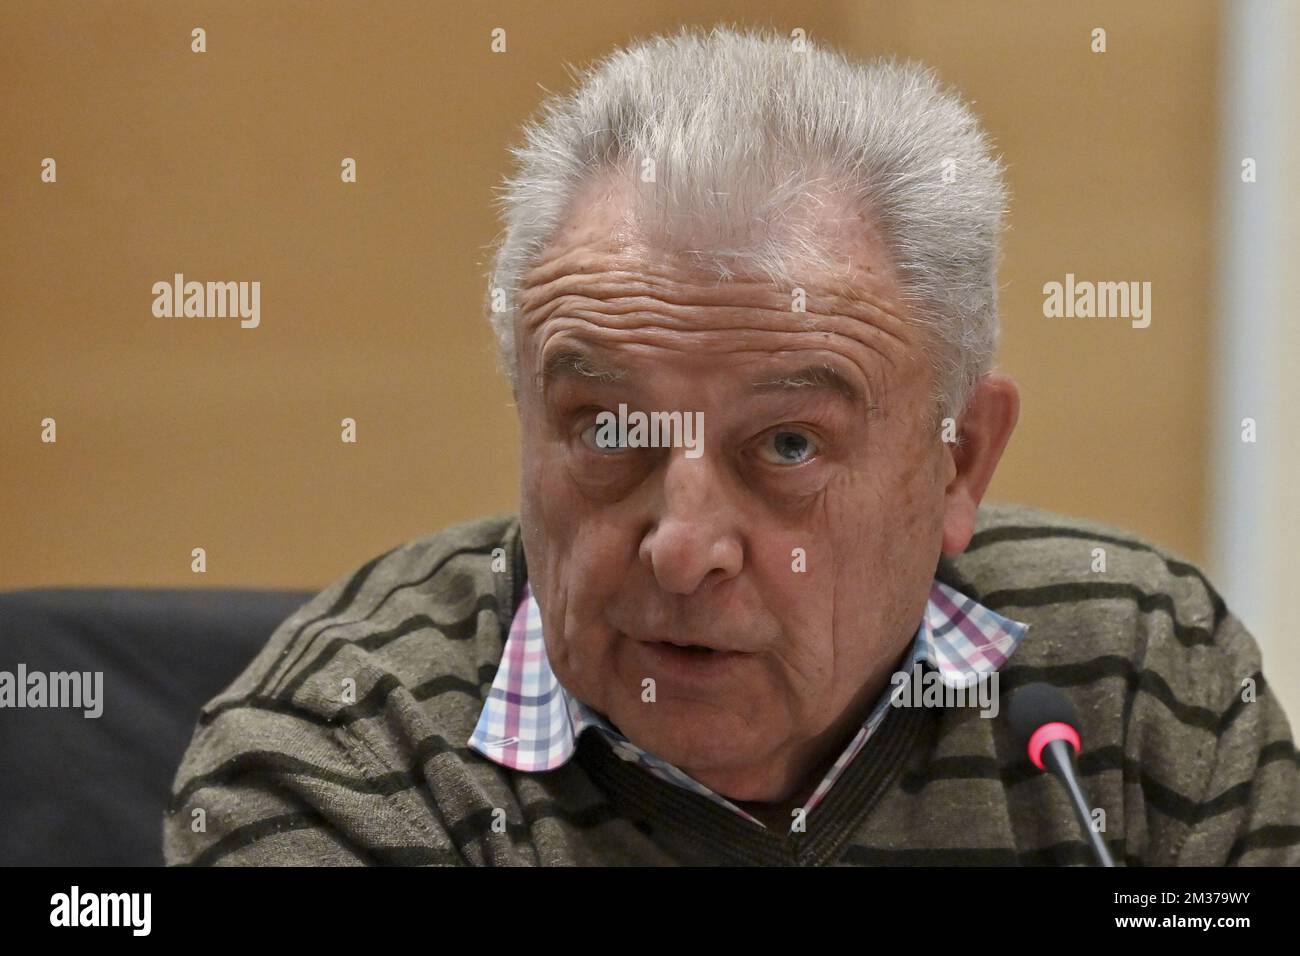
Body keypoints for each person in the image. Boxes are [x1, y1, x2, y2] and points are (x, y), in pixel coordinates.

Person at [164, 26, 1299, 866]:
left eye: (788, 443)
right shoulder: (337, 765)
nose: (682, 546)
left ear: (957, 462)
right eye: (610, 429)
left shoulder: (1140, 683)